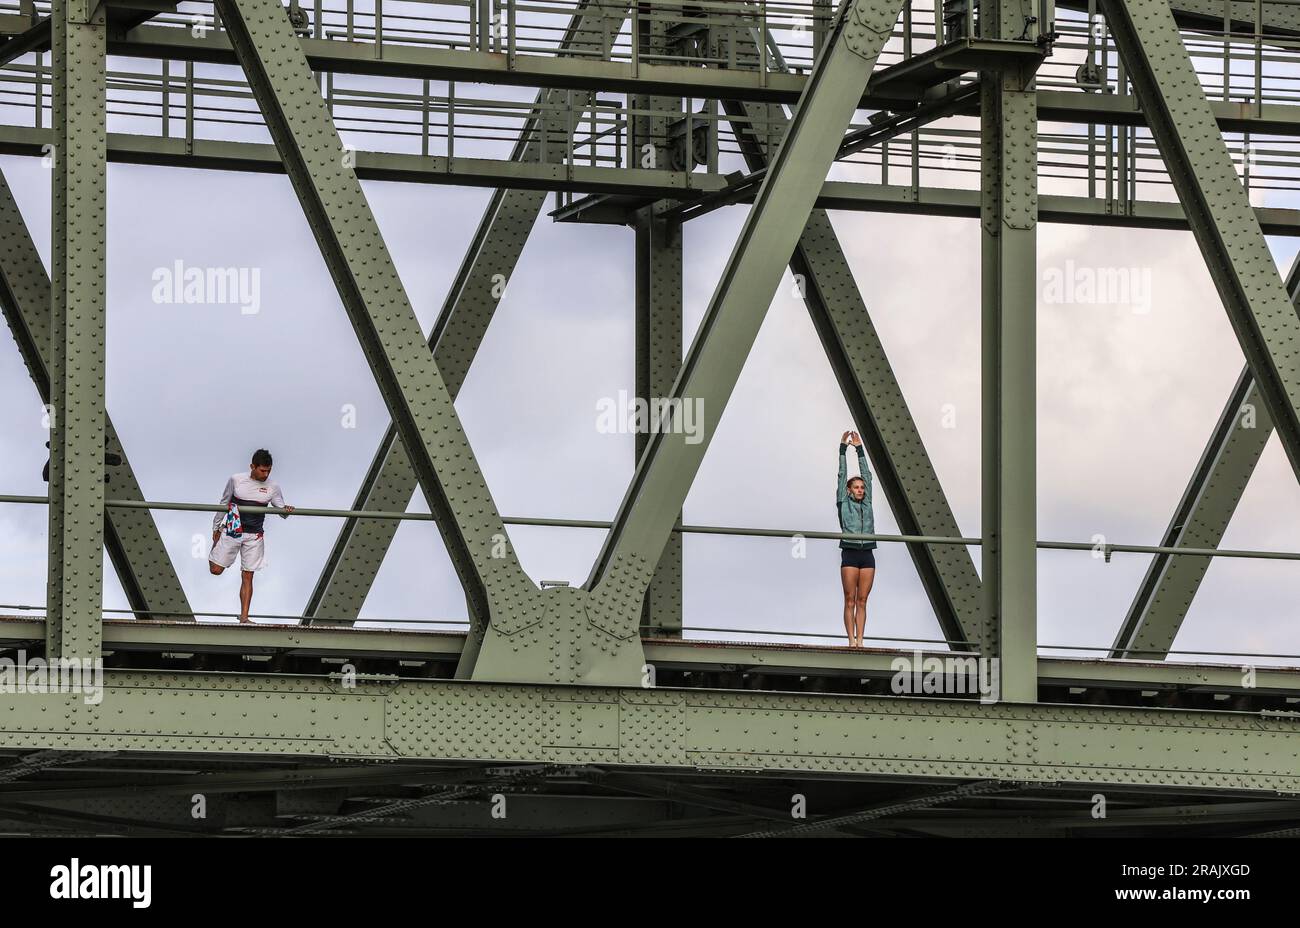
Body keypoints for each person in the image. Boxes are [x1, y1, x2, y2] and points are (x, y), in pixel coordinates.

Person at [209, 449, 294, 623]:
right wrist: (216, 527)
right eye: (262, 470)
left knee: (248, 575)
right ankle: (216, 547)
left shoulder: (273, 487)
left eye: (268, 470)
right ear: (252, 467)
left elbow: (280, 509)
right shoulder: (236, 480)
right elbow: (224, 502)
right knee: (215, 570)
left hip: (255, 535)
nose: (266, 474)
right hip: (233, 530)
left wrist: (287, 511)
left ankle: (244, 617)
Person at [837, 430, 876, 648]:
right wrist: (843, 449)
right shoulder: (844, 502)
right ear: (849, 491)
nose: (861, 490)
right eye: (857, 487)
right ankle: (851, 641)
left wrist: (860, 449)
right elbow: (842, 475)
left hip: (867, 553)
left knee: (862, 600)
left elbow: (868, 475)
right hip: (850, 552)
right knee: (849, 599)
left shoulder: (867, 503)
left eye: (862, 488)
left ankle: (861, 640)